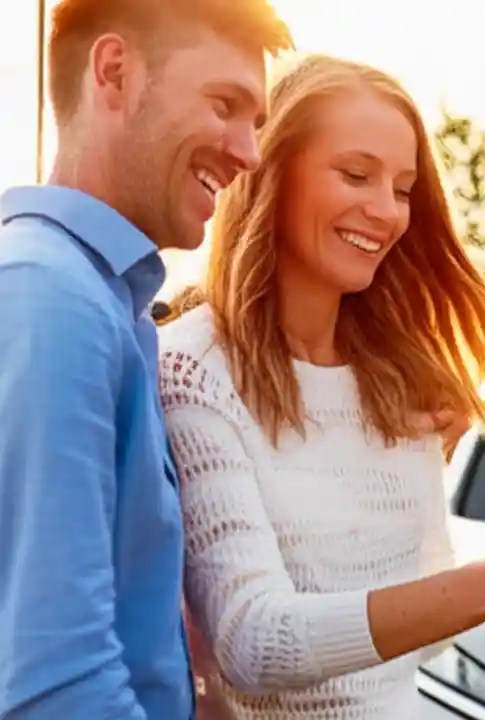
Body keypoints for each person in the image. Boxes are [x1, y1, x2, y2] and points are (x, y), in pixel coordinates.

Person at [154, 53, 485, 719]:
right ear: (272, 172)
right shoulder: (193, 370)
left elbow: (425, 634)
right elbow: (256, 647)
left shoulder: (395, 378)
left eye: (402, 188)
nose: (386, 212)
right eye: (357, 175)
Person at [0, 1, 292, 718]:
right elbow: (57, 688)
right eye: (226, 104)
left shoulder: (101, 302)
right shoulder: (51, 300)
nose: (248, 153)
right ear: (114, 73)